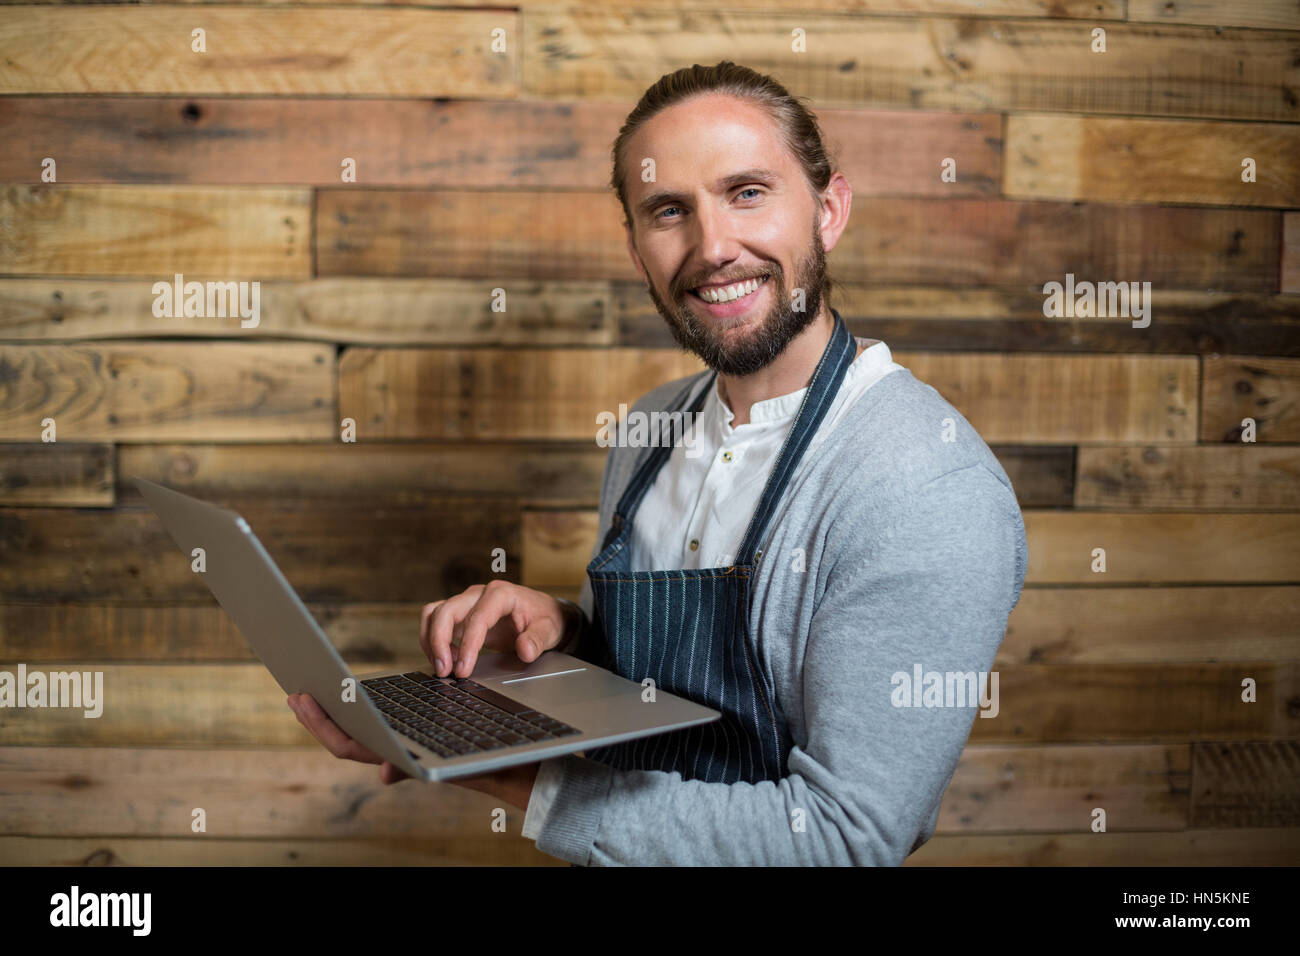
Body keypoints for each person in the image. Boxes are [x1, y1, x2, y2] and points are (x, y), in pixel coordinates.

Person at [289, 60, 1027, 865]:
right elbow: (644, 699)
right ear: (638, 249)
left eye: (748, 192)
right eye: (670, 210)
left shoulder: (923, 485)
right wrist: (560, 635)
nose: (713, 248)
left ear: (828, 210)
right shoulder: (650, 426)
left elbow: (844, 840)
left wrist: (516, 782)